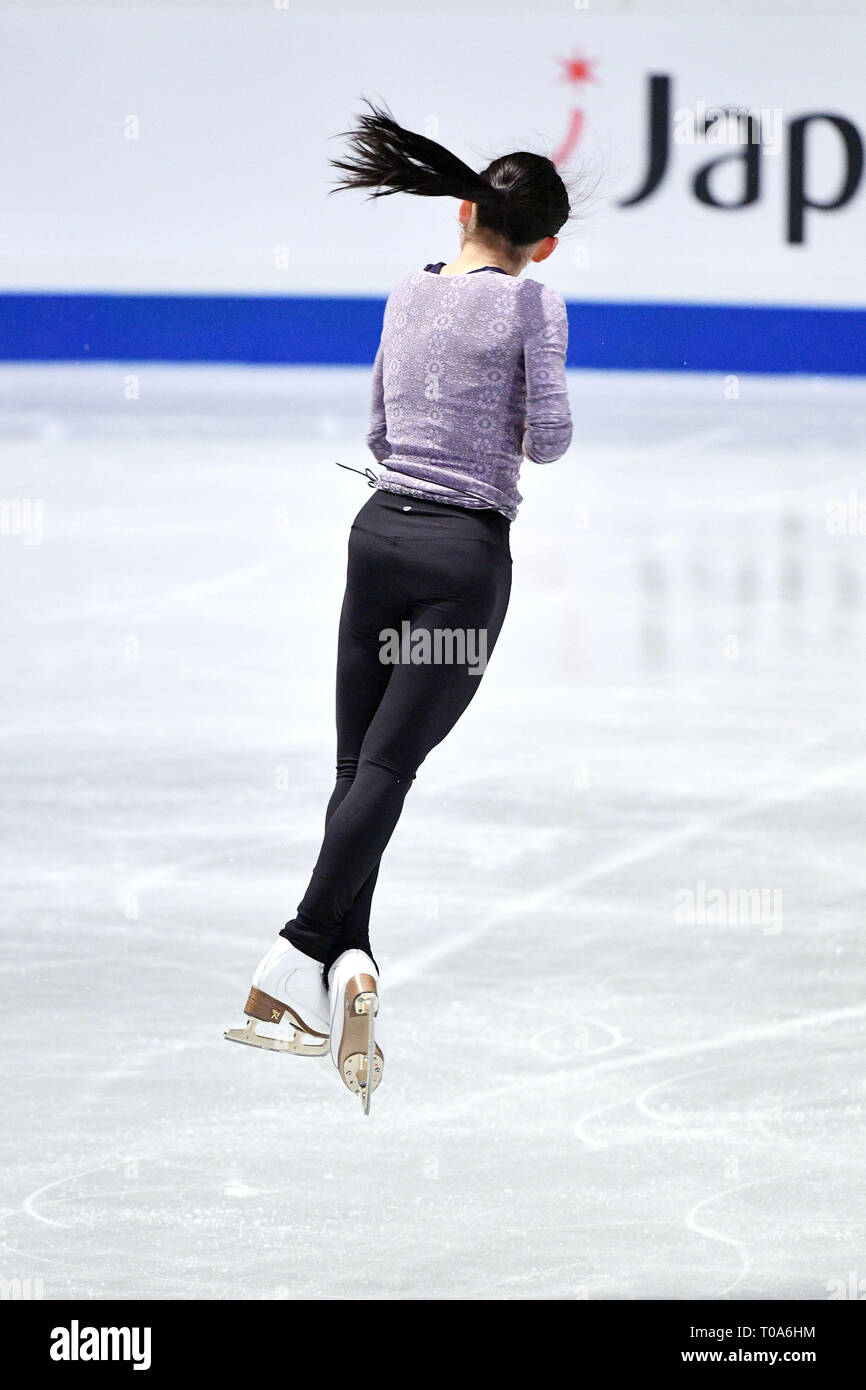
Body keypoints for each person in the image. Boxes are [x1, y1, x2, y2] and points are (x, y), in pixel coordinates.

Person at [225, 101, 573, 1113]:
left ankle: (349, 961)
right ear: (542, 243)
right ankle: (295, 947)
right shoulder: (532, 305)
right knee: (388, 767)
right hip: (462, 560)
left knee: (356, 766)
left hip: (376, 539)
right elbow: (546, 441)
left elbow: (378, 420)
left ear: (461, 211)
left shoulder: (403, 292)